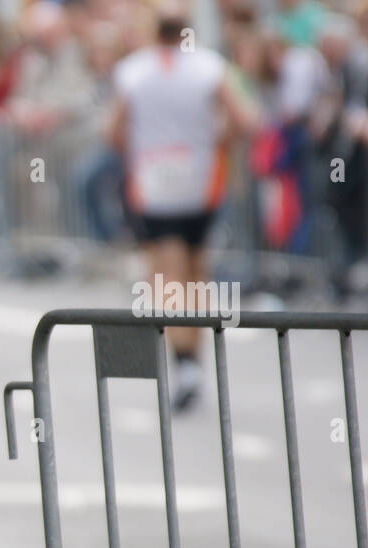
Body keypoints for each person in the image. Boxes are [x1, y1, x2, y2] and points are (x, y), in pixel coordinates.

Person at [111, 1, 256, 412]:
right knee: (196, 273)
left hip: (155, 184)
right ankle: (194, 361)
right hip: (200, 182)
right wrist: (217, 142)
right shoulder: (209, 67)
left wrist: (142, 150)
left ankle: (185, 361)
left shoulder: (134, 70)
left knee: (168, 276)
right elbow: (246, 119)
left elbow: (112, 131)